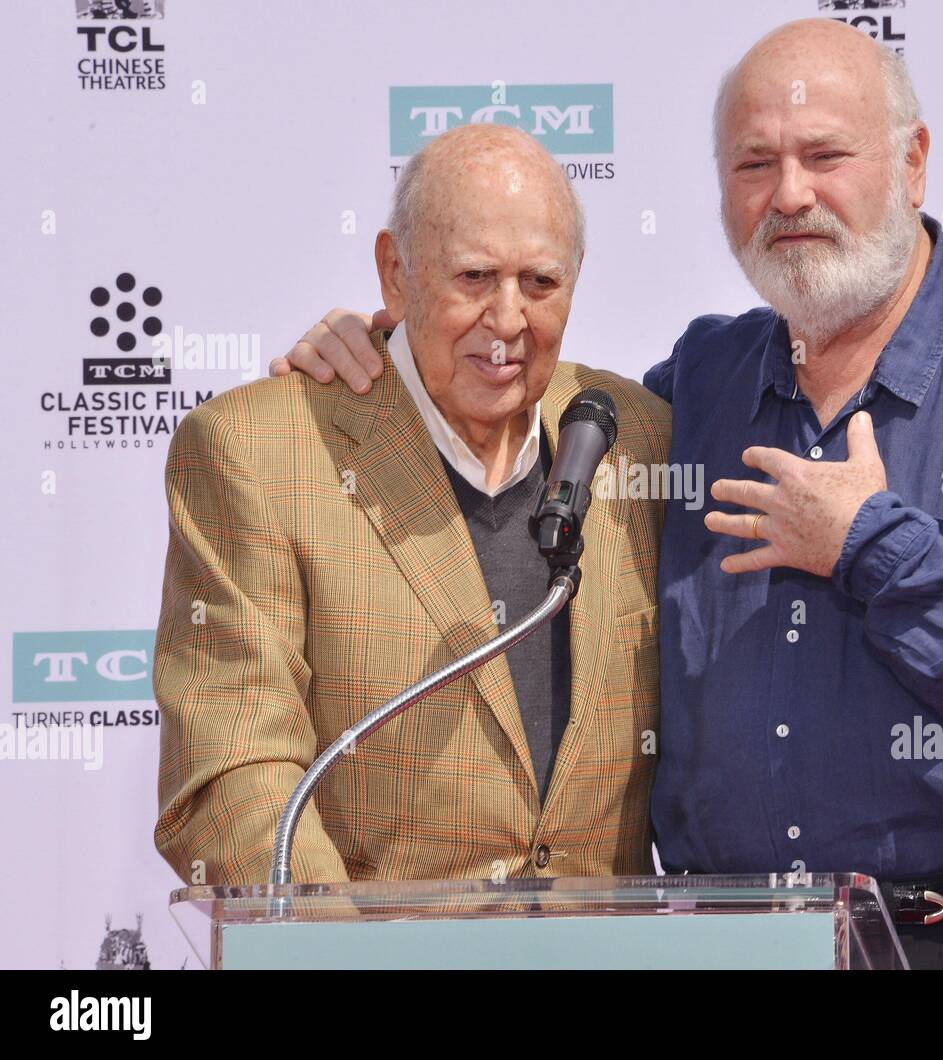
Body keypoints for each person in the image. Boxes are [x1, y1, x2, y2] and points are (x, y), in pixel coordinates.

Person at [273, 19, 943, 969]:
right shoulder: (696, 387)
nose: (789, 195)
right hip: (729, 949)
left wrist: (876, 548)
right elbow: (502, 393)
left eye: (824, 155)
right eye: (754, 164)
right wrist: (380, 356)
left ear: (913, 164)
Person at [154, 124, 670, 885]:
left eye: (541, 283)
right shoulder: (257, 452)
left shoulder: (641, 437)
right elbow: (232, 781)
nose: (507, 320)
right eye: (472, 277)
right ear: (395, 273)